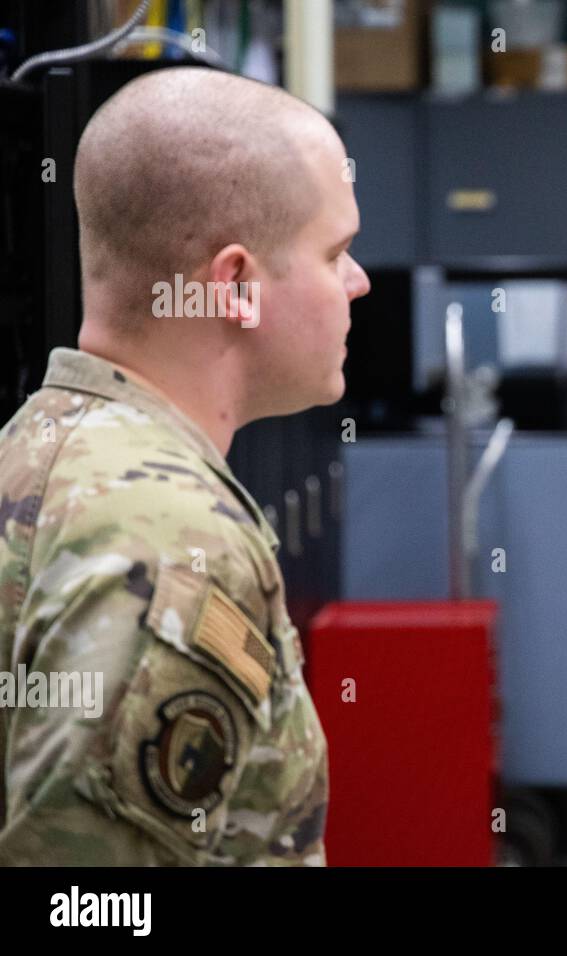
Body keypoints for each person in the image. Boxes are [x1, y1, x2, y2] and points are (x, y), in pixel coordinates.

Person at [0, 65, 370, 864]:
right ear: (235, 284)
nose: (358, 281)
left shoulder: (32, 446)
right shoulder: (172, 538)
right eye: (335, 252)